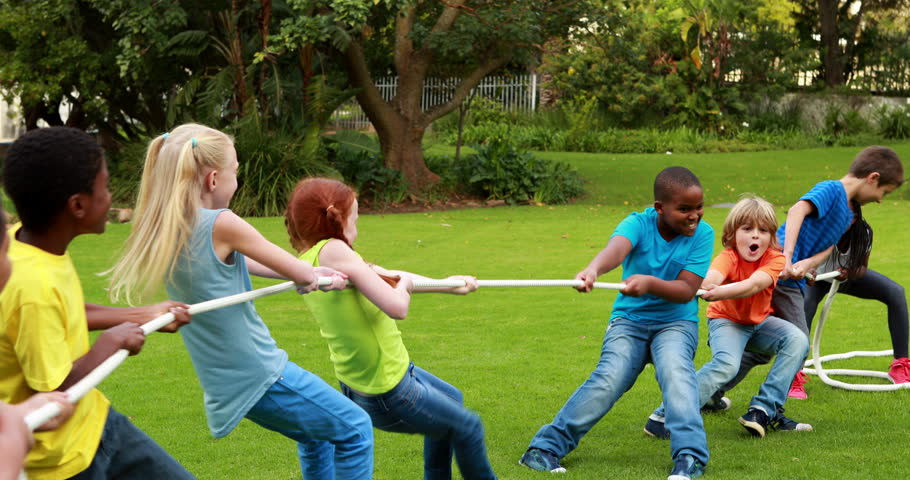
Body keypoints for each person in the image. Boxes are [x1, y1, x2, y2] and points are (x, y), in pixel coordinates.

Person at [106, 124, 373, 480]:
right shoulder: (223, 223)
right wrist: (320, 276)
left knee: (318, 436)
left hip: (226, 378)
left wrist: (311, 272)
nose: (237, 180)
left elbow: (249, 263)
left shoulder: (172, 226)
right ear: (214, 179)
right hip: (260, 373)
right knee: (356, 429)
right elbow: (300, 271)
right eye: (236, 172)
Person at [0, 127, 194, 479]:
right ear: (77, 205)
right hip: (62, 462)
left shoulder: (29, 245)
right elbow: (56, 393)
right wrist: (109, 345)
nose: (111, 198)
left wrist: (146, 313)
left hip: (99, 425)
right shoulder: (32, 288)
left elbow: (68, 314)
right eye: (105, 188)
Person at [284, 177, 497, 480]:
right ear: (337, 220)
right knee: (467, 426)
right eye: (355, 218)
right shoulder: (334, 250)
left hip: (378, 379)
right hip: (387, 392)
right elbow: (397, 306)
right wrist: (407, 286)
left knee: (453, 402)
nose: (357, 227)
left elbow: (388, 276)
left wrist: (447, 284)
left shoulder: (311, 259)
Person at [519, 167, 713, 480]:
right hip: (630, 321)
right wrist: (593, 270)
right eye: (684, 209)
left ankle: (689, 457)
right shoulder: (638, 222)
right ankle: (544, 448)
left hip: (676, 324)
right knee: (610, 376)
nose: (694, 216)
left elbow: (687, 291)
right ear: (659, 208)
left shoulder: (703, 234)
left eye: (699, 207)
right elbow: (616, 250)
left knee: (677, 375)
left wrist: (649, 283)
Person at [707, 146, 903, 406]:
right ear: (873, 177)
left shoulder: (849, 212)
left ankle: (711, 393)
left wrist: (808, 266)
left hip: (793, 278)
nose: (880, 199)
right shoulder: (832, 189)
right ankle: (767, 408)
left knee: (760, 352)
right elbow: (798, 210)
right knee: (797, 345)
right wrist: (787, 256)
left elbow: (827, 246)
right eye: (883, 192)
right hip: (779, 272)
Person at [643, 196, 810, 440]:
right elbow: (711, 278)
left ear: (772, 237)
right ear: (732, 234)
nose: (755, 236)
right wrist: (694, 285)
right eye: (747, 229)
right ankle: (663, 417)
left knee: (797, 340)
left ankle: (762, 409)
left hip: (759, 324)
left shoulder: (775, 259)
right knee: (727, 364)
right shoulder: (728, 257)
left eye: (763, 230)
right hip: (727, 321)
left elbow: (755, 284)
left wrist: (719, 292)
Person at [0, 202, 75, 480]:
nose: (13, 262)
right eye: (7, 253)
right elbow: (56, 384)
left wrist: (18, 413)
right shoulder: (31, 292)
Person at [803, 200, 910, 384]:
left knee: (896, 292)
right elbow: (800, 258)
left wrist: (849, 272)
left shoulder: (863, 232)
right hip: (816, 280)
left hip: (848, 276)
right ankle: (794, 373)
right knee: (805, 305)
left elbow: (862, 267)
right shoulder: (818, 230)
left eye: (848, 216)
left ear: (855, 218)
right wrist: (807, 271)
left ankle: (901, 364)